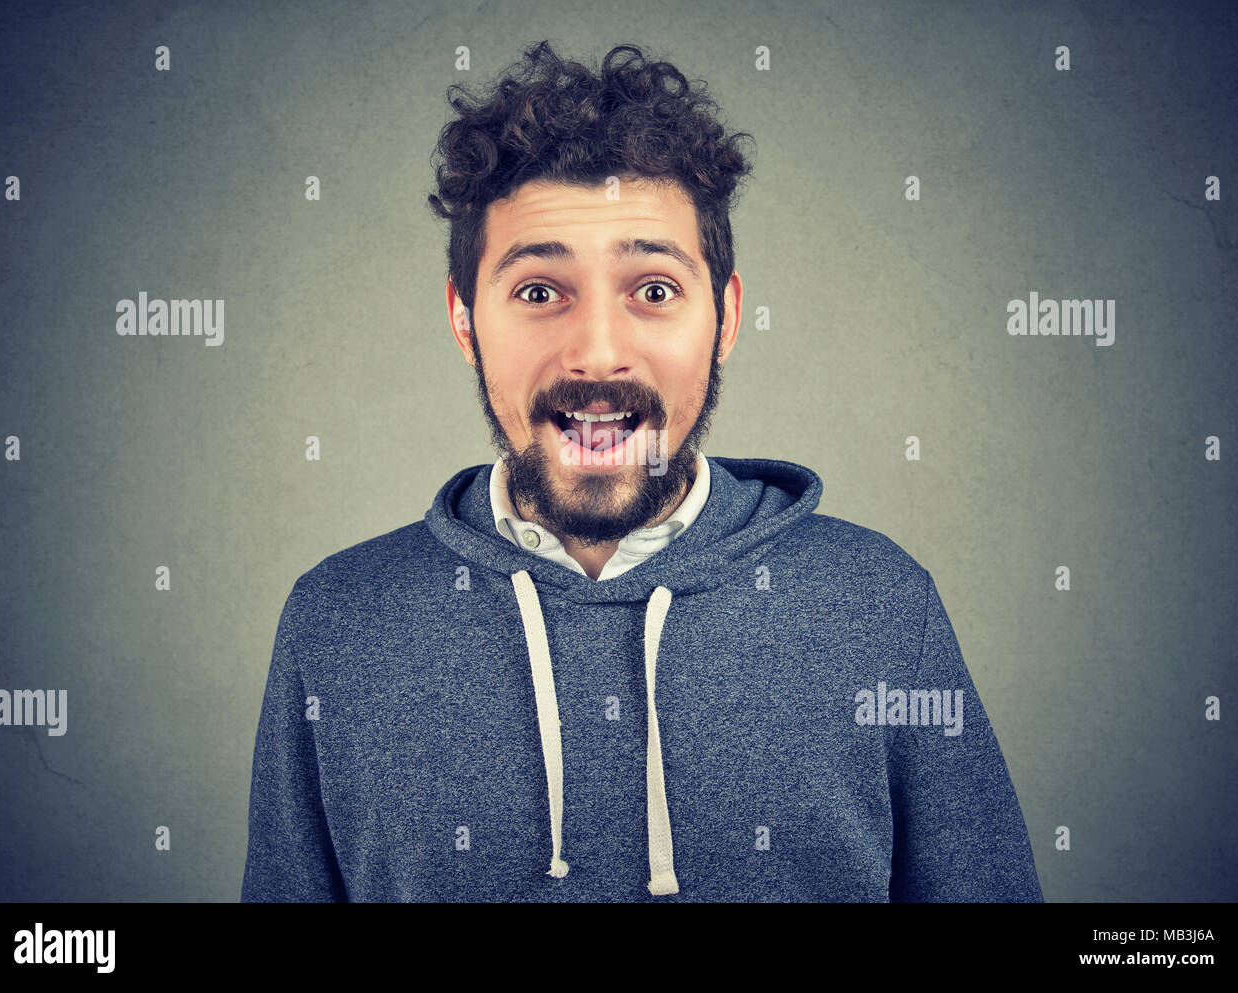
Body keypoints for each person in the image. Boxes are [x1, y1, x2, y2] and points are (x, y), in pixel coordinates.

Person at [240, 40, 1042, 902]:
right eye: (540, 291)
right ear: (465, 320)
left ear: (724, 317)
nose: (597, 351)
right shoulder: (336, 622)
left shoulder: (883, 606)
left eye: (653, 289)